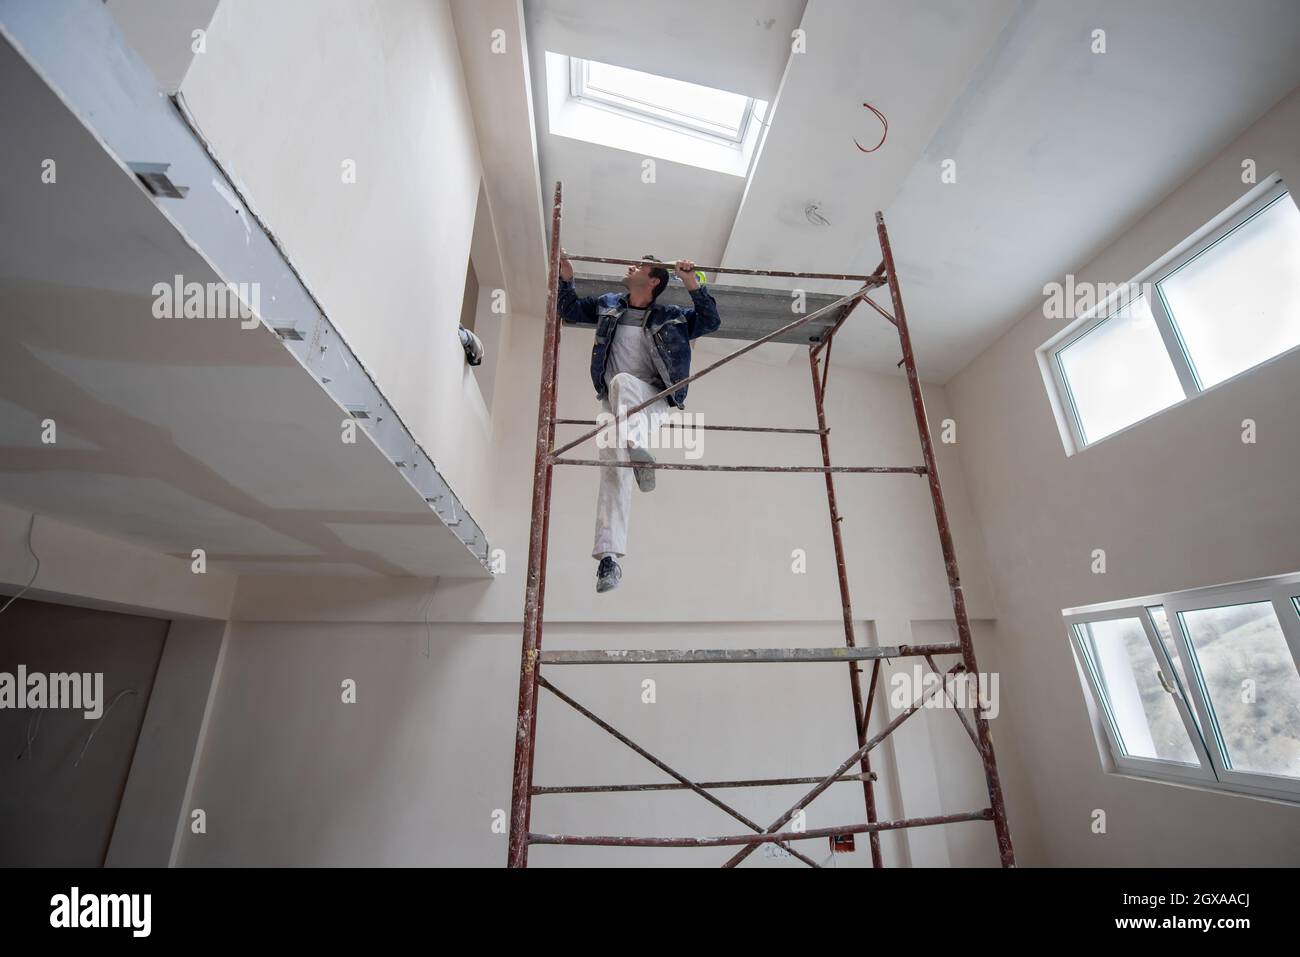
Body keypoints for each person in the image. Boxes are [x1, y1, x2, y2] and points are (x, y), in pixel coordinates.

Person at [556, 250, 722, 592]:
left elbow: (709, 321)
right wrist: (565, 278)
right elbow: (570, 311)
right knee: (612, 471)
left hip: (653, 399)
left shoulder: (671, 315)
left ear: (653, 280)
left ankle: (635, 447)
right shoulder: (609, 305)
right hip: (616, 408)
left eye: (639, 266)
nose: (629, 266)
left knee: (623, 382)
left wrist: (693, 283)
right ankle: (609, 559)